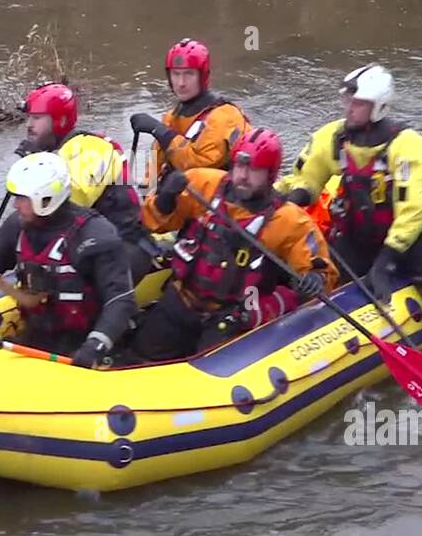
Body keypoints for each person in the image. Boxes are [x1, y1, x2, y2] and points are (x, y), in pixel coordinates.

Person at [274, 63, 422, 324]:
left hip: (407, 242)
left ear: (378, 106)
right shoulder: (334, 137)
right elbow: (307, 179)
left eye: (358, 103)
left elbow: (413, 212)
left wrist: (386, 262)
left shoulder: (409, 148)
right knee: (311, 282)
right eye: (347, 100)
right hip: (353, 235)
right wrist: (289, 200)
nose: (349, 108)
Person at [127, 127, 340, 363]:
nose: (243, 176)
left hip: (231, 317)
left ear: (270, 174)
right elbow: (153, 223)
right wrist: (165, 198)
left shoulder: (290, 221)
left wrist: (315, 278)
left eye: (254, 169)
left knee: (209, 365)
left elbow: (322, 271)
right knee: (138, 354)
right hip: (182, 299)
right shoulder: (201, 183)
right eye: (240, 165)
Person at [0, 152, 137, 368]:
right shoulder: (16, 226)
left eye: (22, 198)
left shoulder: (95, 235)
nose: (16, 205)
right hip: (36, 338)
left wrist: (95, 345)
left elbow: (120, 299)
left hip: (83, 346)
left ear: (45, 199)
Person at [13, 82, 155, 279]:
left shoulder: (90, 149)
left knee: (22, 219)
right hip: (90, 241)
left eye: (37, 118)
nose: (29, 125)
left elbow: (62, 206)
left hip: (123, 246)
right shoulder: (58, 153)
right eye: (29, 118)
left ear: (60, 121)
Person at [129, 38, 250, 187]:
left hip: (218, 198)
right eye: (176, 74)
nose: (181, 83)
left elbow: (198, 166)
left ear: (203, 76)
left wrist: (160, 132)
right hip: (180, 197)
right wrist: (146, 193)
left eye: (189, 74)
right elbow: (154, 170)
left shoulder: (224, 116)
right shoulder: (171, 118)